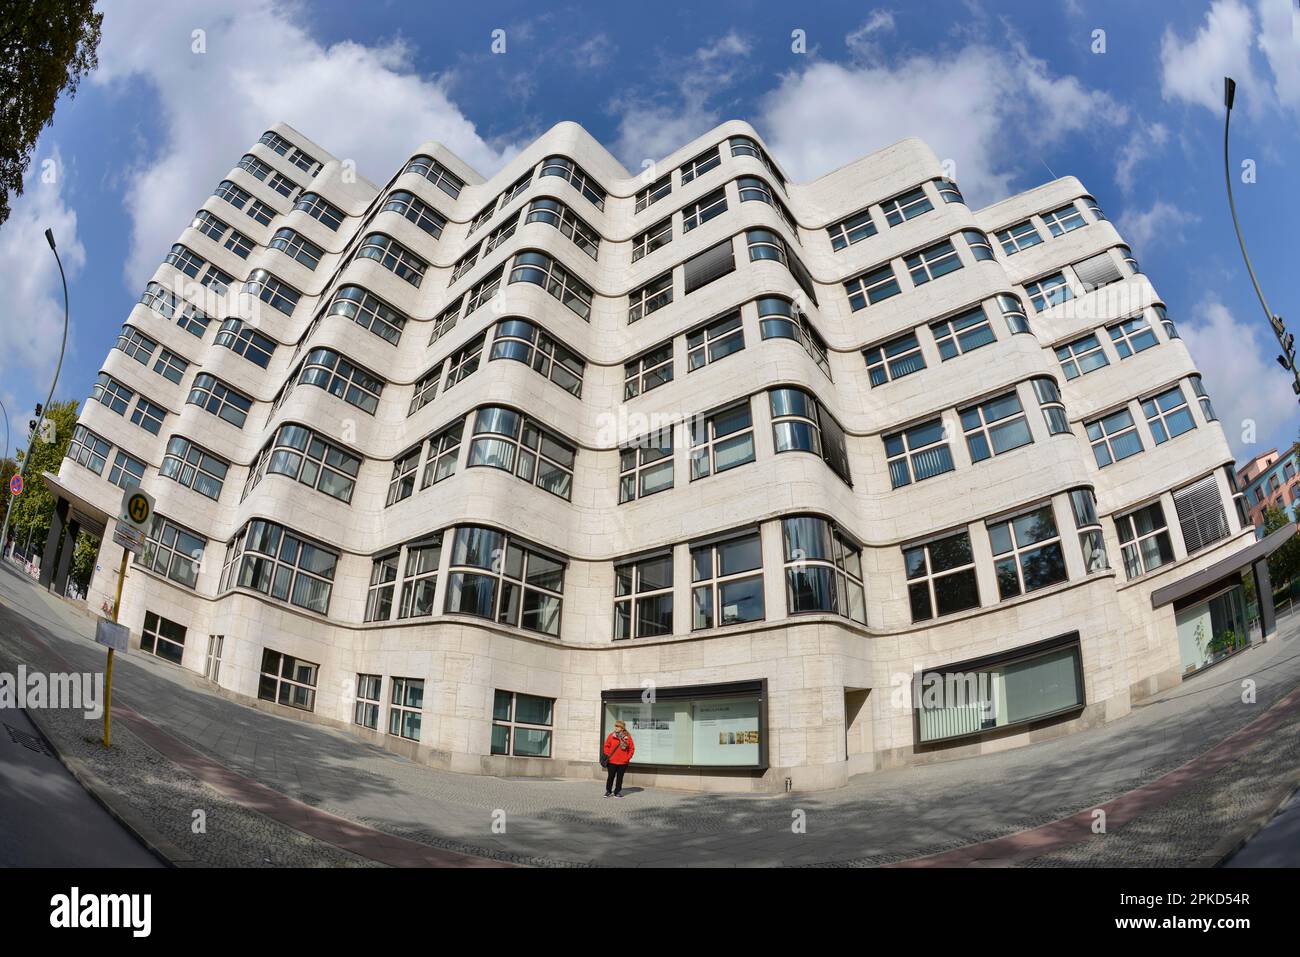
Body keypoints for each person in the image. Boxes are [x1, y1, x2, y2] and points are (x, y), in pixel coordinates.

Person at [603, 719, 635, 797]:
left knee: (619, 778)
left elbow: (632, 748)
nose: (616, 727)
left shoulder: (627, 737)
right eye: (616, 726)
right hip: (612, 761)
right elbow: (606, 746)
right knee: (610, 777)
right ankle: (608, 791)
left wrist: (627, 758)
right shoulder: (611, 736)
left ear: (622, 728)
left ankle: (617, 792)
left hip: (623, 762)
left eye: (618, 726)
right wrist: (608, 755)